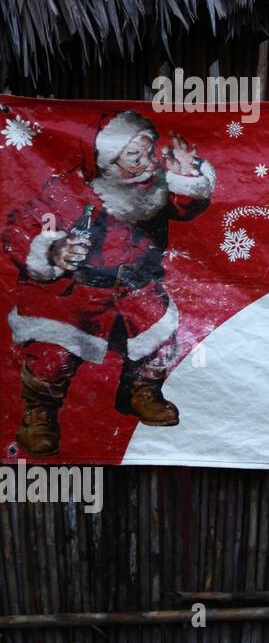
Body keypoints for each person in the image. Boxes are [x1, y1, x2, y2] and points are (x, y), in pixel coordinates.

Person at [3, 109, 216, 457]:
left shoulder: (157, 186)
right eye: (135, 157)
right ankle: (39, 413)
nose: (147, 163)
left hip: (135, 286)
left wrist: (186, 174)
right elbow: (19, 229)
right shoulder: (70, 191)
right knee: (53, 358)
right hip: (73, 294)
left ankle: (140, 391)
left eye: (150, 152)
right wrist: (53, 250)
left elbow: (187, 204)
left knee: (159, 338)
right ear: (106, 162)